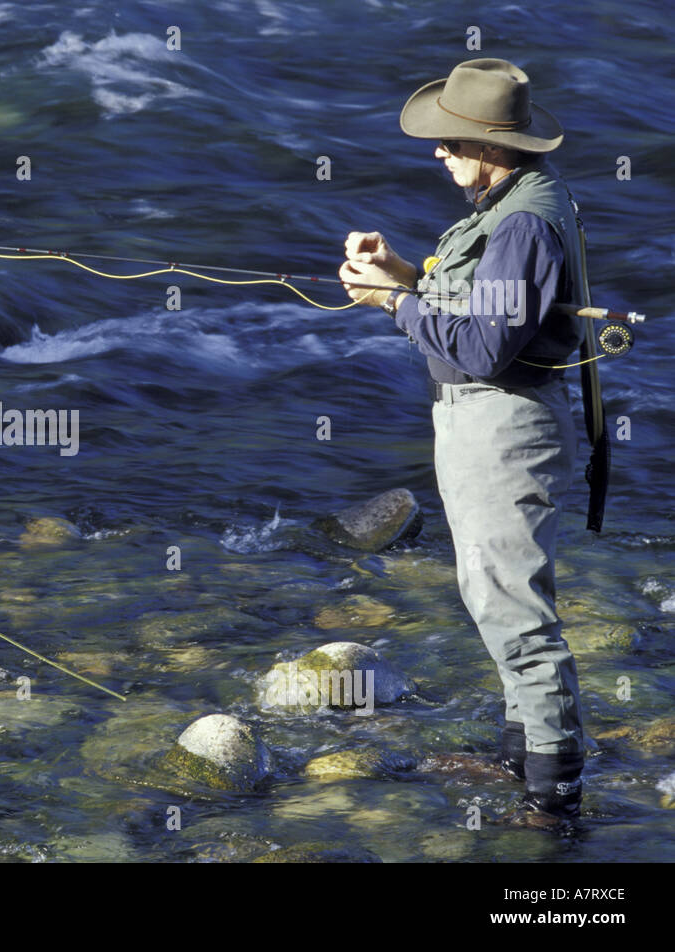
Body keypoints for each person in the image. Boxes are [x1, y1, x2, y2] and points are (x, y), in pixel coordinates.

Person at [337, 58, 588, 828]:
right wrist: (403, 275)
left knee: (512, 607)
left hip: (504, 428)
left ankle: (552, 800)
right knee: (498, 595)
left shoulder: (522, 222)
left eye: (449, 141)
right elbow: (488, 314)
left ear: (491, 145)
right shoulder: (514, 200)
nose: (438, 152)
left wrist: (396, 303)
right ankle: (521, 758)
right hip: (487, 423)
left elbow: (483, 350)